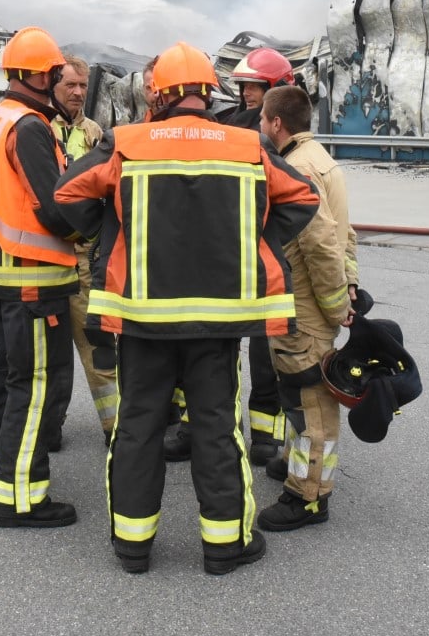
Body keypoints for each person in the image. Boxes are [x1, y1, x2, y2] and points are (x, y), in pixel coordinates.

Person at [55, 42, 321, 575]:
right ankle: (225, 547)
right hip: (218, 321)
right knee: (216, 427)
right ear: (208, 92)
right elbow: (303, 198)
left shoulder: (125, 142)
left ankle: (133, 548)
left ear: (159, 94)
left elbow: (66, 196)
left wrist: (110, 230)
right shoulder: (247, 144)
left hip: (141, 319)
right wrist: (251, 238)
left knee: (138, 427)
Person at [0, 26, 82, 528]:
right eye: (55, 74)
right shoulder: (29, 126)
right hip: (35, 278)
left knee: (7, 373)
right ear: (40, 75)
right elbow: (52, 209)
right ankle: (22, 498)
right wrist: (88, 220)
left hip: (5, 273)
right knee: (35, 385)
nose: (59, 81)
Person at [167, 45, 298, 467]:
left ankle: (264, 436)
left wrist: (262, 237)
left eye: (255, 88)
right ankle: (197, 426)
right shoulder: (227, 126)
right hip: (224, 259)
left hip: (260, 262)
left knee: (264, 357)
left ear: (276, 91)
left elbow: (296, 202)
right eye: (242, 86)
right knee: (210, 350)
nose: (246, 95)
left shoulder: (276, 140)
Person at [256, 84, 357, 532]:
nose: (259, 126)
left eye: (262, 119)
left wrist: (336, 307)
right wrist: (349, 286)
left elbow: (320, 245)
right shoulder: (320, 159)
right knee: (296, 395)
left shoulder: (296, 168)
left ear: (277, 123)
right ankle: (296, 464)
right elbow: (345, 233)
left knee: (312, 401)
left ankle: (309, 497)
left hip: (307, 308)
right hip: (311, 303)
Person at [47, 56, 117, 442]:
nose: (77, 92)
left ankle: (115, 426)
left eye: (81, 85)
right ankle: (50, 426)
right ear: (53, 85)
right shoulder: (40, 129)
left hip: (84, 259)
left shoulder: (95, 134)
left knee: (98, 346)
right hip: (47, 255)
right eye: (69, 85)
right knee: (51, 355)